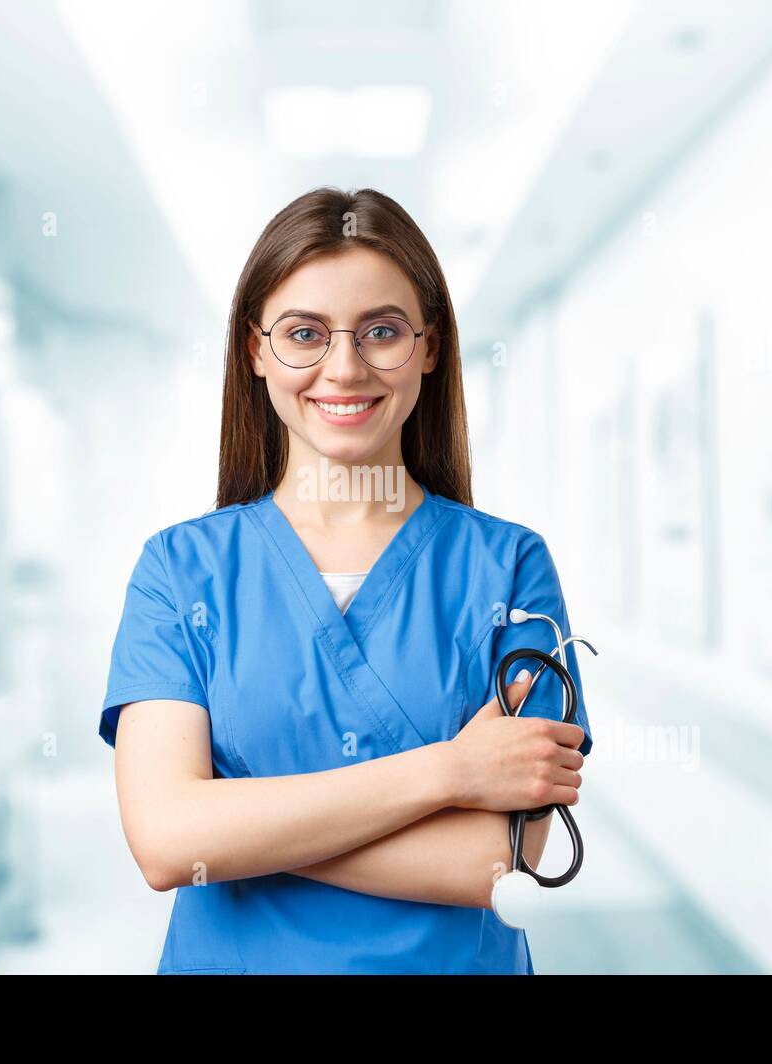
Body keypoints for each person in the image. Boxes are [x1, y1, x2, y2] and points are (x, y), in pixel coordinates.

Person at [99, 187, 593, 974]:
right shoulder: (180, 570)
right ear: (255, 350)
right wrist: (450, 772)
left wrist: (232, 826)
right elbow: (165, 845)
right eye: (303, 333)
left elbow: (496, 864)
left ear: (430, 347)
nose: (344, 367)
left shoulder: (509, 567)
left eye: (383, 332)